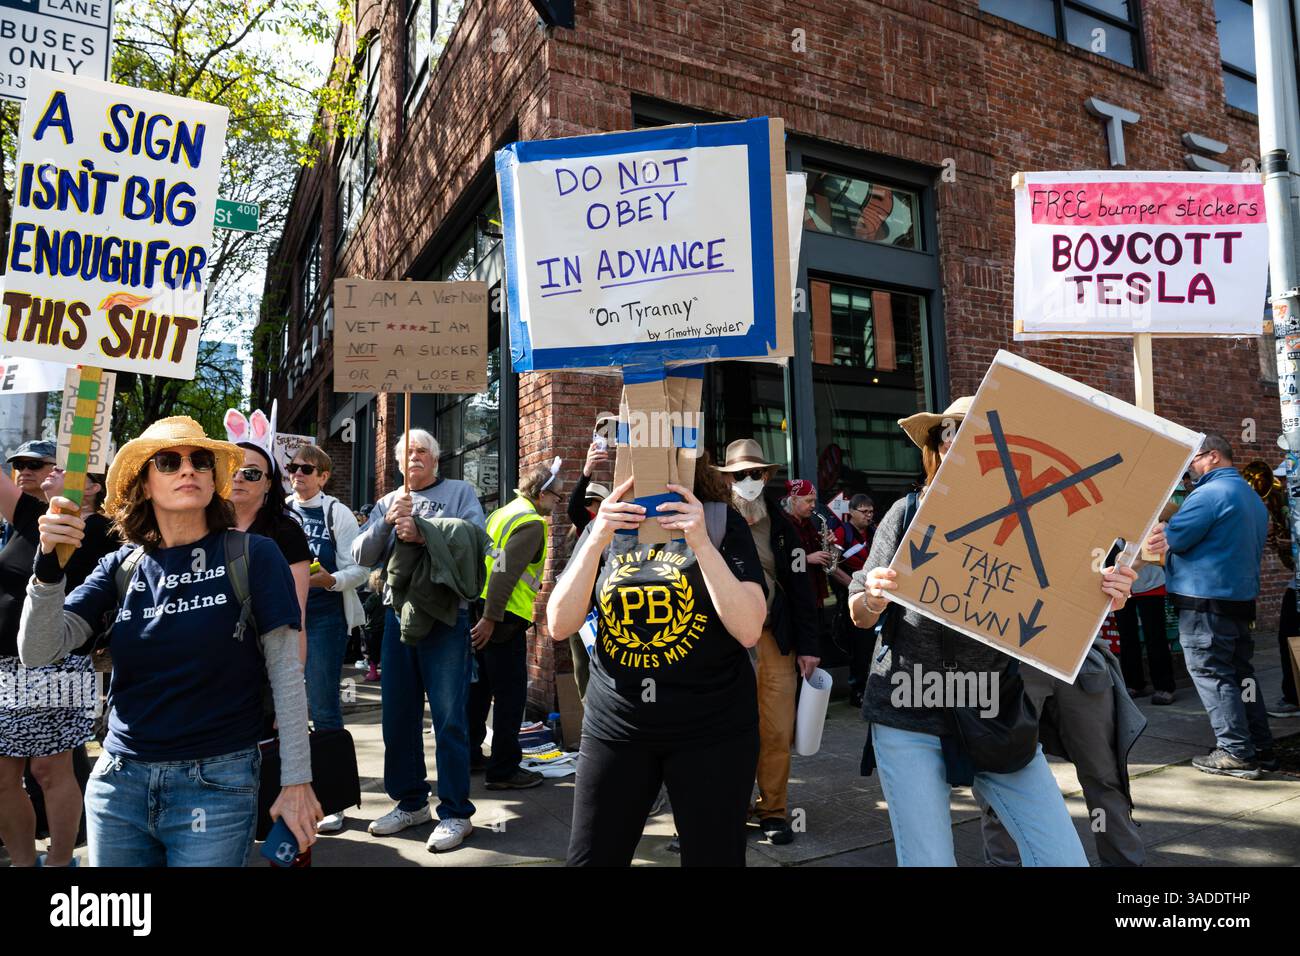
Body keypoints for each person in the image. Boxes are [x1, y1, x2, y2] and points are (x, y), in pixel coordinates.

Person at [18, 416, 319, 866]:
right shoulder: (119, 566)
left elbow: (286, 671)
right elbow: (39, 650)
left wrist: (297, 782)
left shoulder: (254, 555)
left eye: (200, 460)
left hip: (217, 782)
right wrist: (47, 569)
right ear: (143, 484)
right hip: (119, 785)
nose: (189, 469)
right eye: (168, 461)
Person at [848, 398, 1135, 866]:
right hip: (909, 709)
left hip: (995, 710)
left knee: (1063, 858)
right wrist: (872, 597)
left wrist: (1107, 593)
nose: (960, 442)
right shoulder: (905, 514)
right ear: (936, 450)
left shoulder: (1041, 523)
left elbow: (1071, 607)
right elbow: (859, 611)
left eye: (975, 432)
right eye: (949, 433)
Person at [548, 457, 768, 868]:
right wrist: (597, 538)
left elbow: (749, 629)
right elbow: (559, 624)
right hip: (617, 726)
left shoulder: (720, 521)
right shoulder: (605, 526)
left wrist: (700, 540)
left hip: (713, 729)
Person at [353, 428, 485, 852]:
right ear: (397, 462)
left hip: (446, 618)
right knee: (398, 714)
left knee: (449, 718)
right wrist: (389, 522)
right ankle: (411, 802)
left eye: (422, 451)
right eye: (407, 452)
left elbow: (476, 540)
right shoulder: (388, 501)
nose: (414, 457)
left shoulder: (461, 492)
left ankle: (455, 812)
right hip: (397, 616)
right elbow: (360, 555)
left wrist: (425, 531)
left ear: (436, 458)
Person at [0, 443, 115, 867]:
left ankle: (61, 861)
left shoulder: (106, 532)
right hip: (3, 665)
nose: (48, 472)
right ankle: (24, 862)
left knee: (50, 771)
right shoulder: (32, 516)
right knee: (2, 778)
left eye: (65, 468)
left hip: (61, 663)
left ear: (91, 487)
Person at [1146, 434, 1274, 779]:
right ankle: (1260, 746)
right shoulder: (1250, 495)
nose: (1190, 469)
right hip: (1239, 600)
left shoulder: (1208, 494)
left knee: (1213, 675)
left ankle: (1234, 751)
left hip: (1205, 602)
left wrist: (1163, 524)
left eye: (1194, 460)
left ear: (1213, 456)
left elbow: (1174, 539)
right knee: (1241, 675)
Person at [716, 438, 818, 846]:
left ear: (766, 476)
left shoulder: (783, 525)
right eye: (739, 474)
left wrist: (810, 647)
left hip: (776, 640)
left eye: (755, 473)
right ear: (727, 479)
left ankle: (773, 809)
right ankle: (731, 805)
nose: (748, 481)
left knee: (775, 730)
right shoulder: (713, 521)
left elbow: (801, 588)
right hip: (727, 642)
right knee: (727, 728)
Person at [284, 445, 368, 832]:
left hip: (323, 617)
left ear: (322, 477)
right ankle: (288, 788)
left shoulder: (337, 512)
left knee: (322, 705)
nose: (297, 474)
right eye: (292, 468)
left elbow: (361, 569)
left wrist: (330, 580)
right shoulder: (280, 511)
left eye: (306, 469)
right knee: (284, 707)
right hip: (281, 618)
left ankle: (331, 799)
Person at [469, 462, 564, 789]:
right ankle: (504, 771)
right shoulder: (532, 522)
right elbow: (505, 573)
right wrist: (491, 619)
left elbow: (485, 561)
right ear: (541, 493)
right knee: (510, 696)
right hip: (502, 618)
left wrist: (482, 613)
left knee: (479, 690)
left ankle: (470, 755)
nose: (558, 501)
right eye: (556, 495)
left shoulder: (502, 513)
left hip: (484, 608)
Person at [564, 437, 611, 702]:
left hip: (604, 605)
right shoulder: (586, 525)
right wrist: (586, 471)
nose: (590, 507)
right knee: (583, 667)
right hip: (582, 609)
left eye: (594, 502)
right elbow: (573, 508)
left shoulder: (612, 525)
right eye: (588, 502)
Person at [834, 493, 875, 708]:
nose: (868, 516)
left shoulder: (875, 533)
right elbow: (832, 566)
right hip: (852, 597)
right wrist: (855, 586)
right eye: (864, 512)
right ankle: (857, 690)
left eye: (871, 512)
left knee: (870, 645)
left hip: (874, 596)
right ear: (851, 512)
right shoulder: (842, 533)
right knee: (858, 646)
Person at [1115, 558, 1175, 704]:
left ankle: (1165, 687)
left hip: (1151, 582)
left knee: (1155, 635)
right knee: (1126, 635)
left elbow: (1156, 554)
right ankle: (1134, 684)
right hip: (1119, 585)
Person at [363, 568, 385, 683]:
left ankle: (373, 673)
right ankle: (386, 672)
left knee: (372, 652)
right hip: (384, 628)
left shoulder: (372, 598)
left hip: (372, 629)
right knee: (383, 651)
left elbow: (366, 609)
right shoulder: (387, 598)